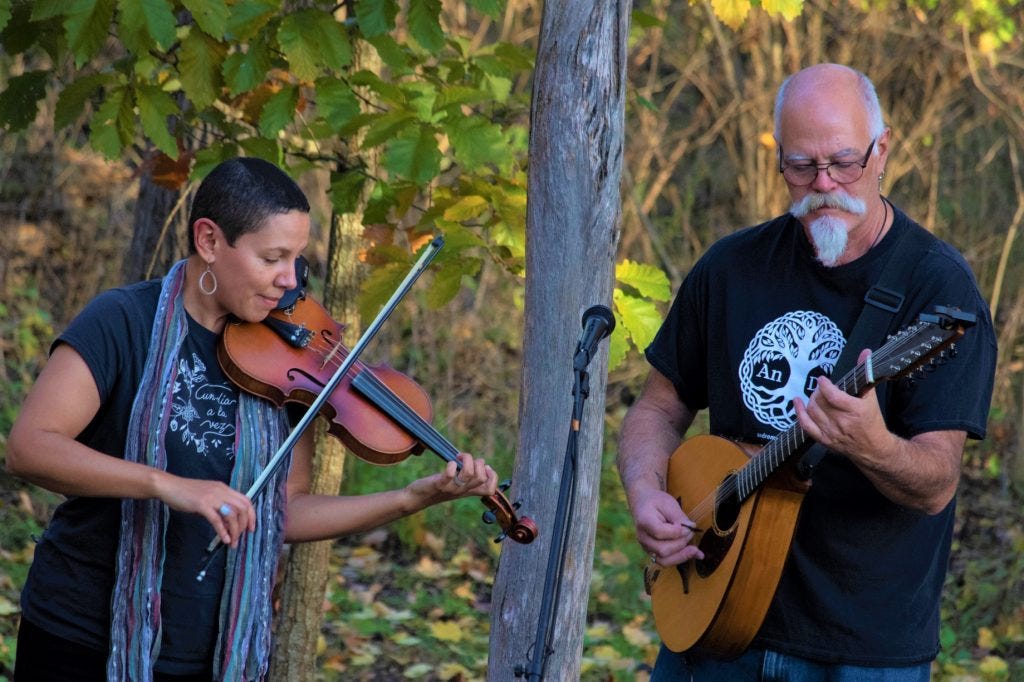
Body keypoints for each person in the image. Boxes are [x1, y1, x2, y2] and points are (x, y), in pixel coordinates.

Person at [6, 156, 498, 682]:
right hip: (82, 639)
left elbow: (284, 510)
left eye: (296, 259)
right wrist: (167, 485)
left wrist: (411, 498)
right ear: (210, 241)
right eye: (272, 258)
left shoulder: (286, 362)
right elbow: (31, 446)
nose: (289, 280)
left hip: (218, 653)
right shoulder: (124, 322)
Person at [617, 63, 997, 680]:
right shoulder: (731, 268)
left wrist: (872, 445)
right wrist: (645, 490)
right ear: (778, 162)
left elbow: (935, 482)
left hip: (861, 650)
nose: (825, 184)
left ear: (882, 151)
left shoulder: (937, 290)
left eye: (844, 162)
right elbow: (657, 409)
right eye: (802, 166)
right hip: (712, 627)